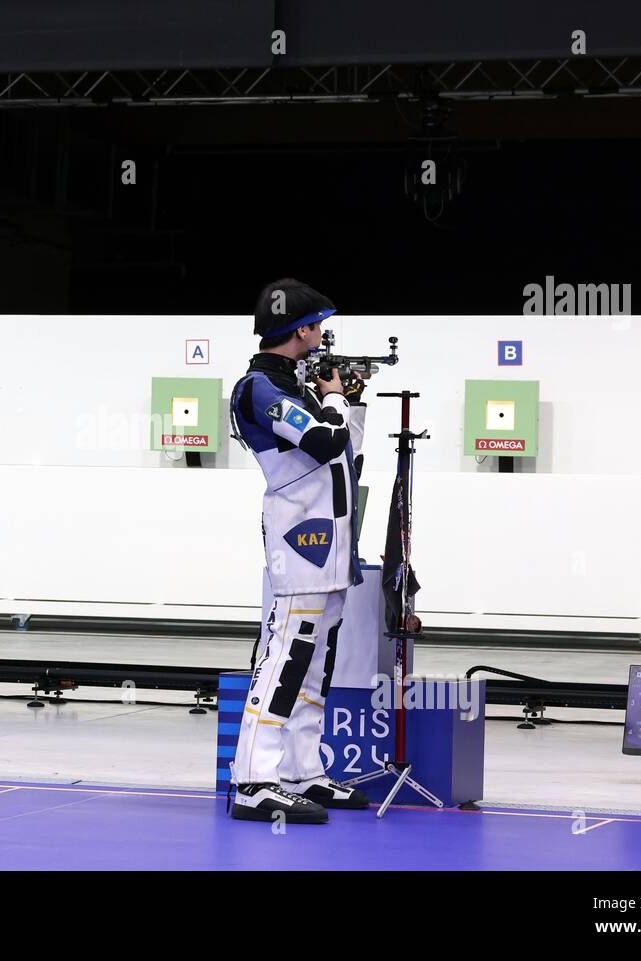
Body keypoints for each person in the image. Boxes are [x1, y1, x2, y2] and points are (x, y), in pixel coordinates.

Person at [226, 278, 371, 823]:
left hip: (329, 545)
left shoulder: (295, 388)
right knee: (282, 664)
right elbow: (323, 441)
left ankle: (299, 771)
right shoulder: (260, 388)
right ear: (301, 330)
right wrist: (335, 398)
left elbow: (345, 449)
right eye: (319, 328)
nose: (323, 337)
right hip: (300, 542)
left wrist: (346, 400)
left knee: (313, 668)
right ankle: (254, 780)